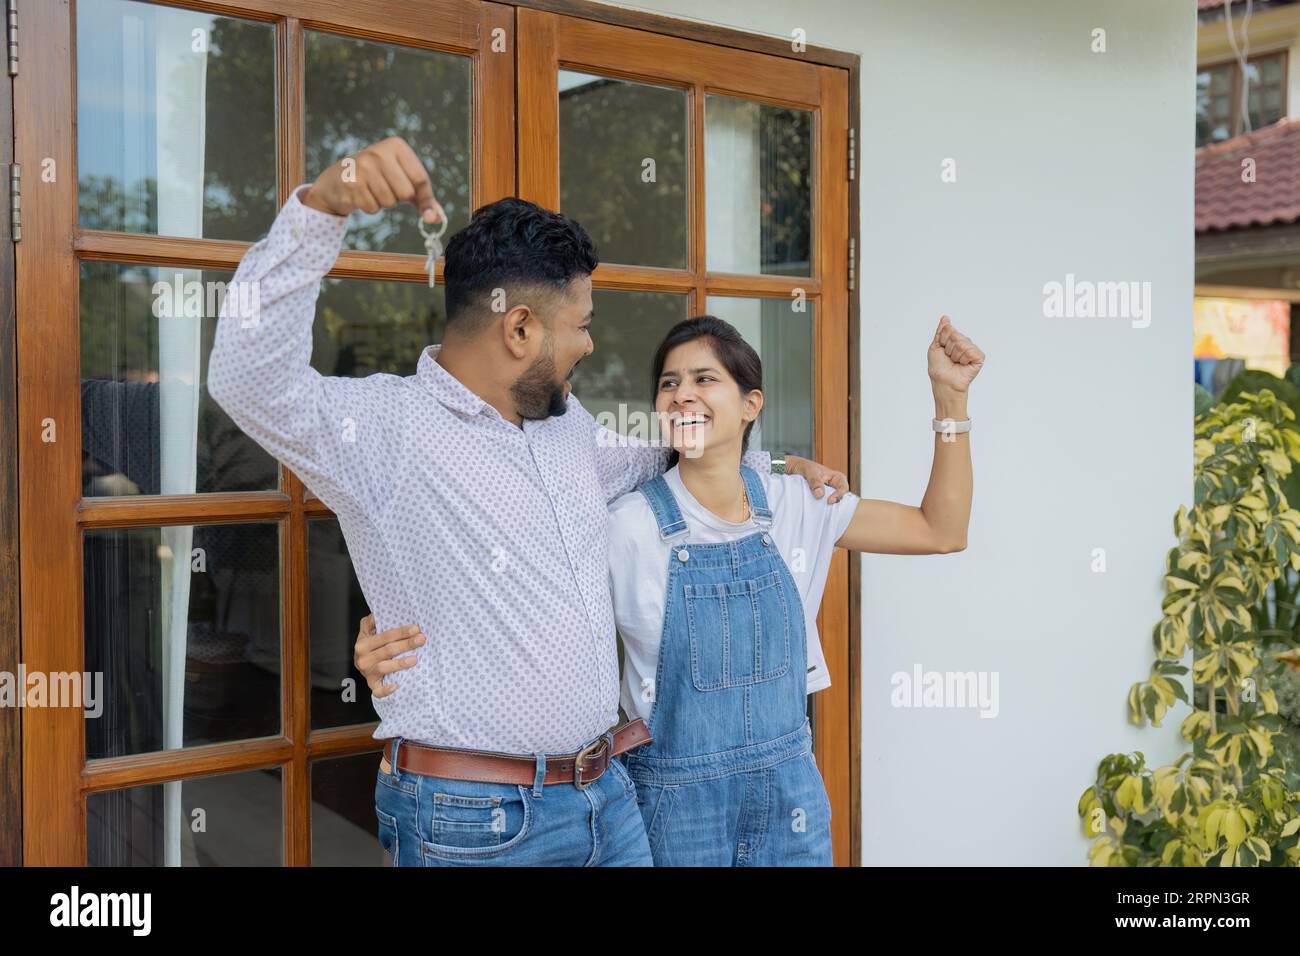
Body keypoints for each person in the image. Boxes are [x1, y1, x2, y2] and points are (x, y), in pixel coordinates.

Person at [208, 135, 845, 867]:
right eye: (581, 327)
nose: (588, 347)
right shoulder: (383, 430)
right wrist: (321, 209)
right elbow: (248, 381)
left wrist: (771, 461)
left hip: (606, 799)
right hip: (475, 823)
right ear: (520, 329)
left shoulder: (564, 428)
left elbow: (653, 456)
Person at [357, 310, 983, 866]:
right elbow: (515, 604)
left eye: (705, 379)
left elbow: (940, 529)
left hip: (790, 797)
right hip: (671, 808)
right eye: (669, 383)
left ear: (751, 404)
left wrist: (949, 401)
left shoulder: (801, 504)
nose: (683, 394)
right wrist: (389, 645)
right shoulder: (625, 525)